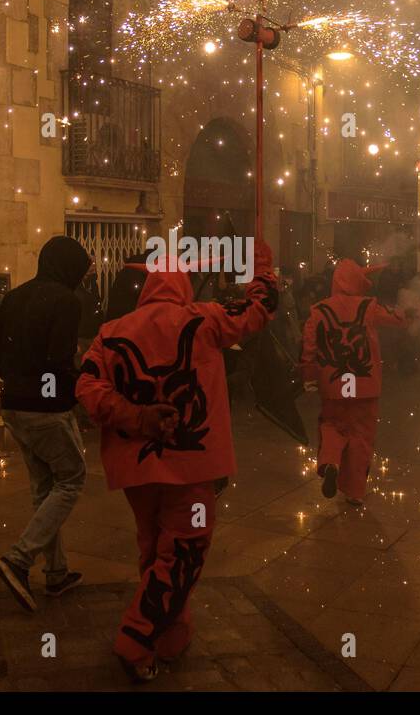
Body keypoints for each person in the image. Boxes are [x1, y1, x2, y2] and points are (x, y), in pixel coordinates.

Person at [76, 240, 277, 683]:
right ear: (183, 285)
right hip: (191, 466)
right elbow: (260, 310)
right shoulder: (204, 318)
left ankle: (171, 636)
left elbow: (87, 389)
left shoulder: (111, 332)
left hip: (137, 469)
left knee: (155, 550)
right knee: (184, 552)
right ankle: (136, 637)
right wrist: (263, 266)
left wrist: (134, 416)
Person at [0, 235, 93, 611]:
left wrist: (16, 378)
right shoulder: (66, 301)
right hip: (47, 411)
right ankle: (19, 558)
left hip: (15, 406)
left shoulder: (17, 296)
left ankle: (57, 572)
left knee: (45, 489)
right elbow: (59, 359)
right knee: (72, 479)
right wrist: (74, 391)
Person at [300, 258, 411, 504]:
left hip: (334, 384)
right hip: (364, 384)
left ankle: (330, 462)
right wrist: (419, 310)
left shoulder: (318, 310)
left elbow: (309, 347)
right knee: (361, 436)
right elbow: (398, 319)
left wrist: (309, 377)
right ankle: (355, 492)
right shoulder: (369, 306)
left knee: (331, 424)